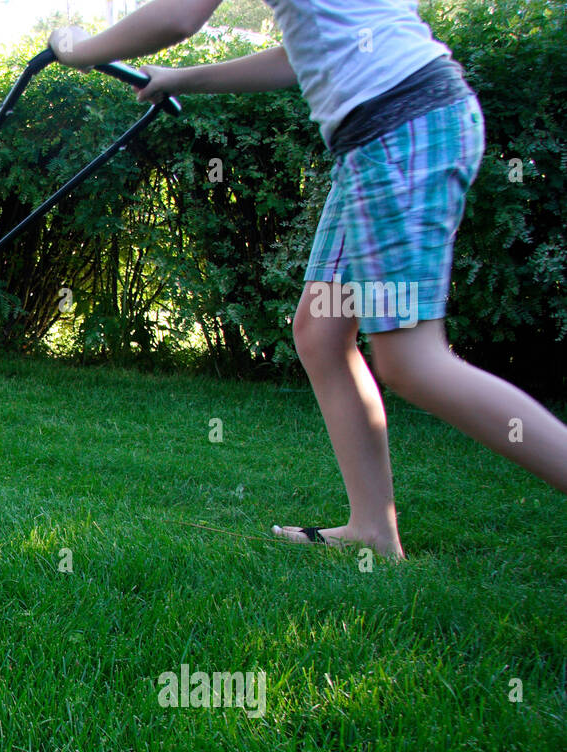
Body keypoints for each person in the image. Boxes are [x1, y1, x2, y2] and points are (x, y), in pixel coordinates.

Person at [50, 0, 567, 559]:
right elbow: (302, 57)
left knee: (413, 361)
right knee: (320, 332)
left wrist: (80, 47)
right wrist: (183, 79)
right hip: (384, 135)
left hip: (397, 129)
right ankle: (372, 528)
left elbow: (177, 16)